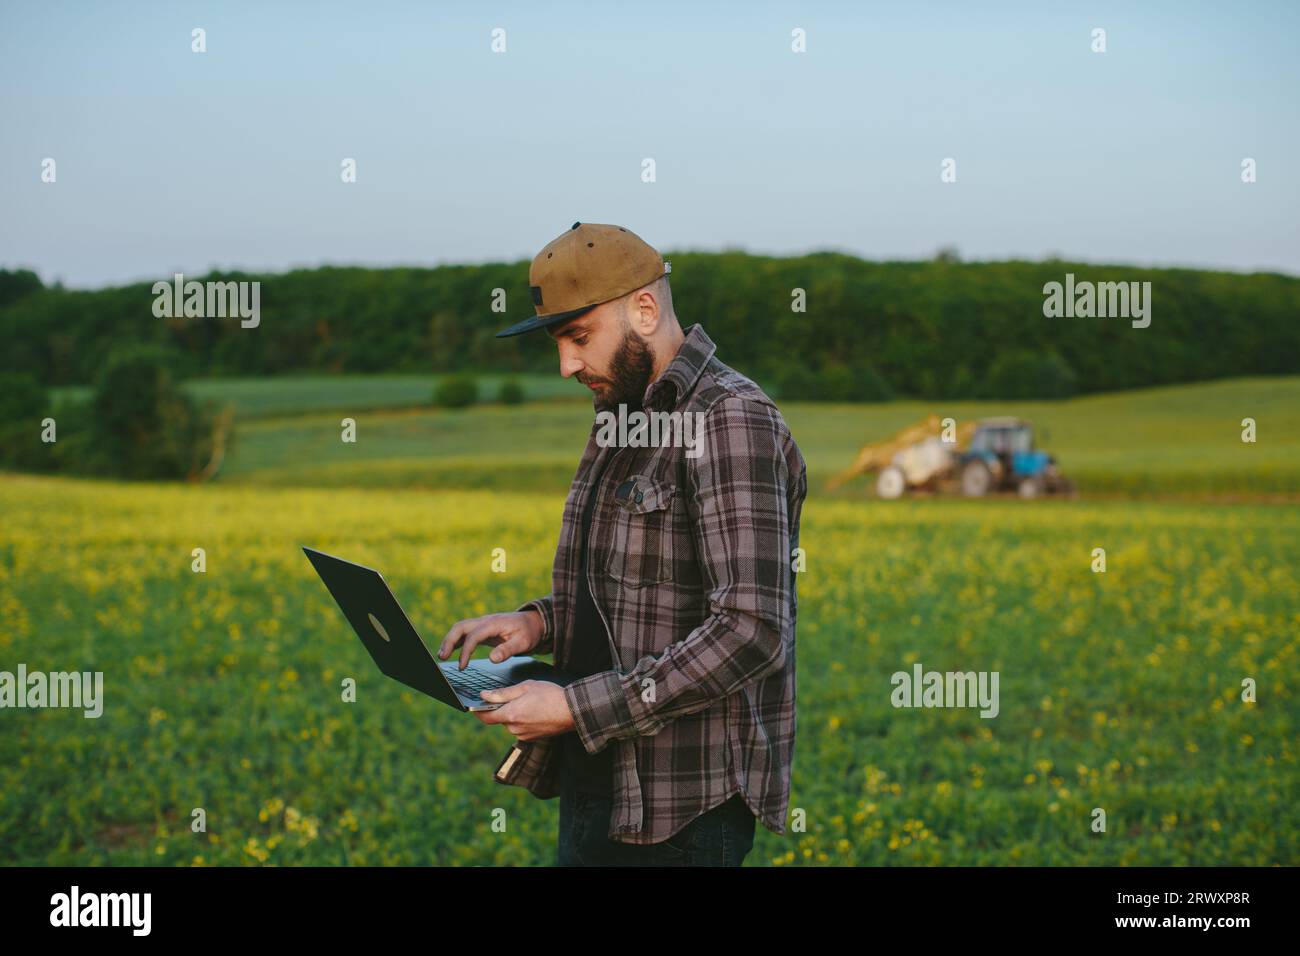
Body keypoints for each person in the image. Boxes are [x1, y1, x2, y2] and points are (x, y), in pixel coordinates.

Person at [438, 222, 806, 866]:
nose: (566, 366)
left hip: (683, 805)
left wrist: (577, 706)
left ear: (644, 309)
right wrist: (537, 622)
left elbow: (751, 628)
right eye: (559, 344)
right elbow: (639, 585)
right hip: (602, 765)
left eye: (579, 338)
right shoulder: (623, 412)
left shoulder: (729, 419)